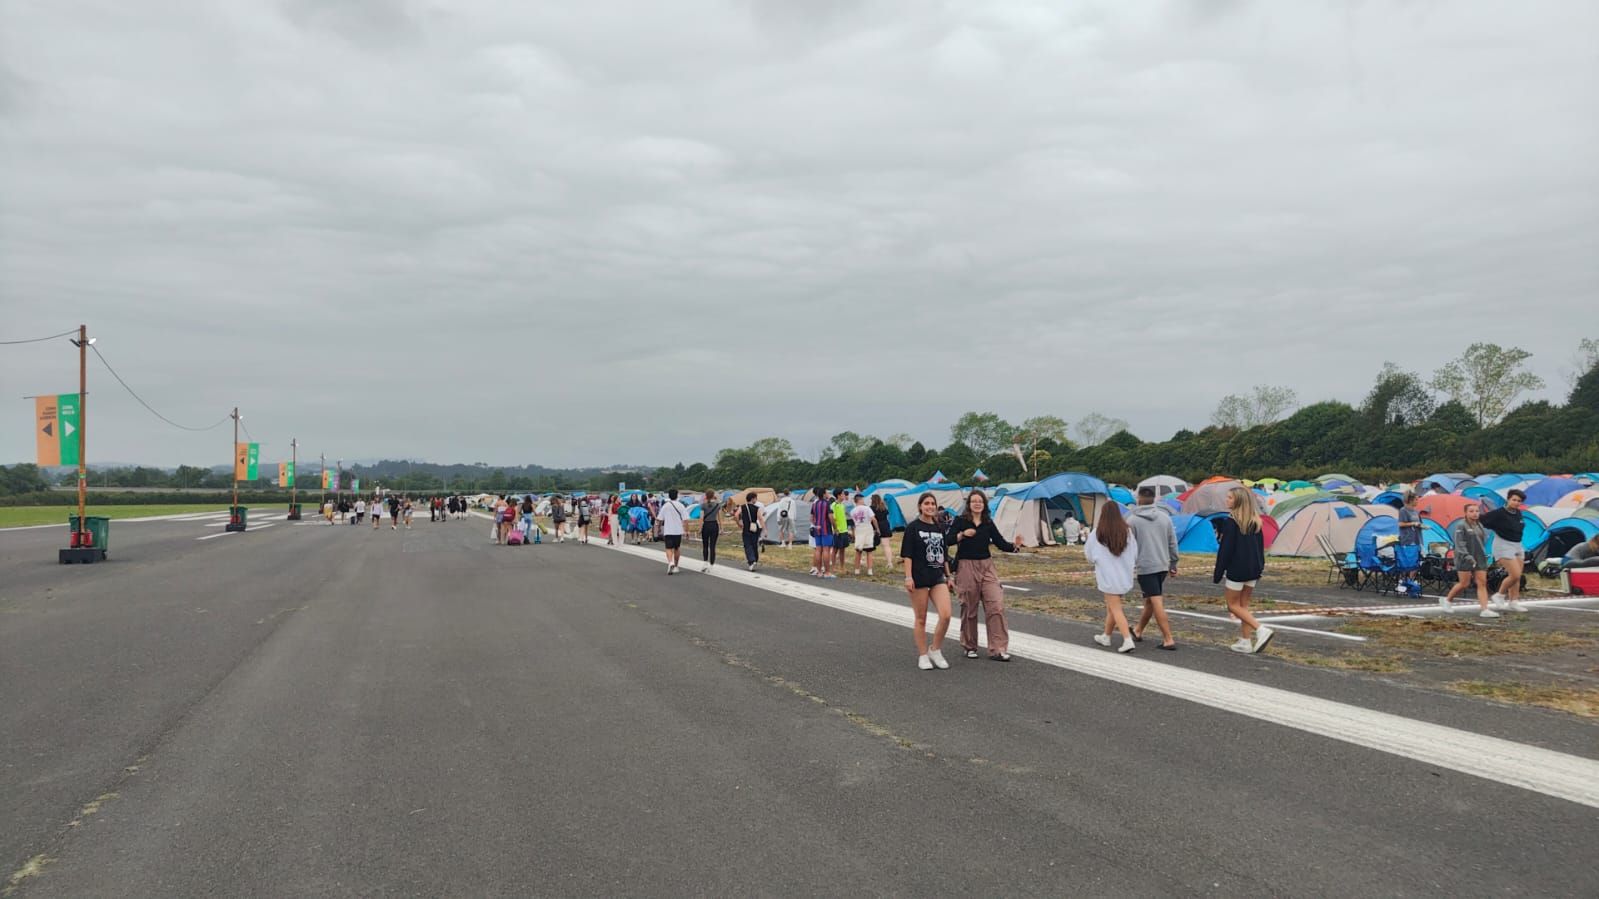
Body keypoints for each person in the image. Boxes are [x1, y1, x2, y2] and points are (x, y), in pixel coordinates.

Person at [949, 489, 1023, 661]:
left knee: (996, 605)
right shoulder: (960, 521)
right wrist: (961, 535)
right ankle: (970, 646)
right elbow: (948, 540)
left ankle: (998, 649)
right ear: (968, 504)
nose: (977, 503)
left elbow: (1000, 543)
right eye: (974, 501)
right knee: (969, 607)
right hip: (966, 566)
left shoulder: (988, 523)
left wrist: (1016, 546)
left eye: (980, 501)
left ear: (984, 505)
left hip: (987, 566)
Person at [1214, 486, 1273, 653]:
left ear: (1238, 501)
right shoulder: (1256, 522)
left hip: (1237, 569)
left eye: (1230, 498)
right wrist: (1260, 566)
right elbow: (1260, 548)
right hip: (1253, 569)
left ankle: (1260, 629)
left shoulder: (1232, 523)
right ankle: (1245, 641)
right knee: (1243, 605)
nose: (1227, 500)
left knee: (1232, 605)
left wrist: (1218, 573)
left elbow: (1225, 550)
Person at [900, 493, 953, 670]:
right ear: (920, 506)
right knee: (921, 618)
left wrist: (949, 576)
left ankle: (935, 649)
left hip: (937, 576)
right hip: (919, 577)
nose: (930, 506)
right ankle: (923, 655)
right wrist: (908, 577)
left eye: (932, 504)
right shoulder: (913, 528)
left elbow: (944, 555)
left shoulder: (939, 527)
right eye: (926, 503)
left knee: (945, 615)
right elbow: (907, 554)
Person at [1127, 486, 1181, 650]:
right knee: (1150, 600)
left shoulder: (1132, 521)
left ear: (1138, 499)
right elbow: (1173, 542)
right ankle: (1138, 630)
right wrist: (1173, 563)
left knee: (1155, 601)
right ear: (1154, 499)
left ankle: (1168, 638)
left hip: (1145, 566)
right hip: (1162, 565)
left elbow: (1129, 547)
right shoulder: (1165, 518)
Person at [1086, 503, 1139, 653]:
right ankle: (1106, 636)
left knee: (1115, 608)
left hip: (1107, 577)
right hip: (1124, 576)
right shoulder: (1127, 532)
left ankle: (1127, 639)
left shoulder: (1097, 533)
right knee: (1112, 607)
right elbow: (1135, 554)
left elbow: (1089, 555)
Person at [1443, 503, 1497, 617]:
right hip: (1464, 557)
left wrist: (1485, 555)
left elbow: (1482, 542)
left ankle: (1484, 609)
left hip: (1480, 557)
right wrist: (1467, 556)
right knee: (1464, 583)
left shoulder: (1479, 525)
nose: (1475, 514)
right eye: (1471, 511)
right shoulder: (1461, 525)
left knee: (1482, 582)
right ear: (1466, 513)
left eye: (1477, 511)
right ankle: (1447, 601)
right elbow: (1459, 544)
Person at [1480, 489, 1529, 612]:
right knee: (1515, 574)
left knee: (1518, 577)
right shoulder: (1499, 513)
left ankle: (1514, 601)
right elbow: (1483, 519)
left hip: (1517, 544)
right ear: (1508, 499)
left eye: (1519, 501)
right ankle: (1499, 595)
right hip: (1503, 544)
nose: (1516, 503)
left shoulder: (1518, 513)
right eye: (1514, 500)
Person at [658, 488, 688, 574]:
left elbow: (660, 519)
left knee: (668, 548)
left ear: (669, 496)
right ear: (677, 495)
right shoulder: (681, 505)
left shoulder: (665, 506)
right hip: (678, 530)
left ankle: (670, 562)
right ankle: (676, 566)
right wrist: (686, 530)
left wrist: (659, 528)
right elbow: (685, 519)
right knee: (677, 548)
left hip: (668, 530)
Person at [809, 488, 835, 578]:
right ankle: (827, 572)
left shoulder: (814, 504)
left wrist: (815, 525)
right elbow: (830, 517)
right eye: (827, 492)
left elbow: (811, 518)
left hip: (817, 529)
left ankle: (819, 572)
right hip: (826, 529)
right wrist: (835, 527)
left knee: (818, 550)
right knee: (826, 550)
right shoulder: (827, 503)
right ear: (824, 494)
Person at [850, 493, 878, 575]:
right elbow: (873, 519)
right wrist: (877, 529)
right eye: (862, 499)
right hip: (867, 529)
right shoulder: (867, 508)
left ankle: (857, 570)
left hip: (859, 529)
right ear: (860, 500)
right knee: (869, 551)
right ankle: (869, 570)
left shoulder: (852, 511)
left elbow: (854, 523)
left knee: (858, 550)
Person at [1397, 492, 1423, 581]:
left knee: (1415, 562)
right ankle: (1402, 580)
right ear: (1410, 500)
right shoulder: (1403, 510)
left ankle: (1411, 581)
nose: (1417, 501)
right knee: (1406, 562)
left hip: (1416, 538)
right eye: (1416, 499)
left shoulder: (1416, 511)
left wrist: (1421, 526)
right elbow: (1400, 524)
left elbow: (1419, 523)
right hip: (1407, 539)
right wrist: (1413, 523)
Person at [699, 489, 725, 571]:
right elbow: (720, 518)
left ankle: (705, 563)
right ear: (713, 495)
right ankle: (711, 565)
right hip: (714, 525)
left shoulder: (703, 505)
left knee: (705, 545)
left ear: (706, 496)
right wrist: (722, 528)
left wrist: (700, 528)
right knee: (712, 546)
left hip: (706, 525)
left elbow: (701, 518)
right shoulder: (717, 506)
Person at [737, 492, 763, 571]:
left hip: (746, 528)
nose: (756, 500)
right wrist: (764, 528)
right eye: (756, 498)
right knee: (754, 544)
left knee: (747, 545)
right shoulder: (757, 508)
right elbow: (760, 518)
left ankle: (751, 560)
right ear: (753, 499)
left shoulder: (742, 507)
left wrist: (739, 522)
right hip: (755, 527)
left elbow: (736, 514)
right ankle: (755, 559)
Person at [871, 494, 893, 561]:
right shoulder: (883, 507)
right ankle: (890, 563)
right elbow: (887, 515)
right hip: (885, 525)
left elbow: (873, 519)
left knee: (870, 547)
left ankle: (870, 561)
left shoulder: (871, 508)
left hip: (876, 525)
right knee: (886, 545)